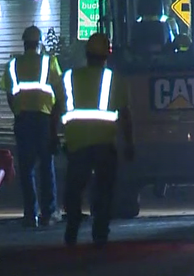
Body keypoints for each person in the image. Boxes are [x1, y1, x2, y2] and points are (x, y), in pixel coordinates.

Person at [52, 32, 135, 247]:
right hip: (104, 145)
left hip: (77, 144)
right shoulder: (114, 79)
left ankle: (72, 227)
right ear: (107, 55)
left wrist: (52, 136)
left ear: (87, 53)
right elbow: (125, 115)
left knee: (74, 188)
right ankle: (100, 232)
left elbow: (56, 109)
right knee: (104, 189)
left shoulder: (69, 77)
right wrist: (129, 143)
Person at [0, 25, 62, 228]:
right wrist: (55, 123)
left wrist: (18, 112)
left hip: (23, 119)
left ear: (24, 42)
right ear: (40, 43)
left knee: (26, 169)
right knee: (46, 166)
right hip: (44, 119)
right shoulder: (48, 62)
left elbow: (10, 95)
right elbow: (60, 94)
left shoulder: (13, 65)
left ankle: (30, 213)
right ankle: (49, 212)